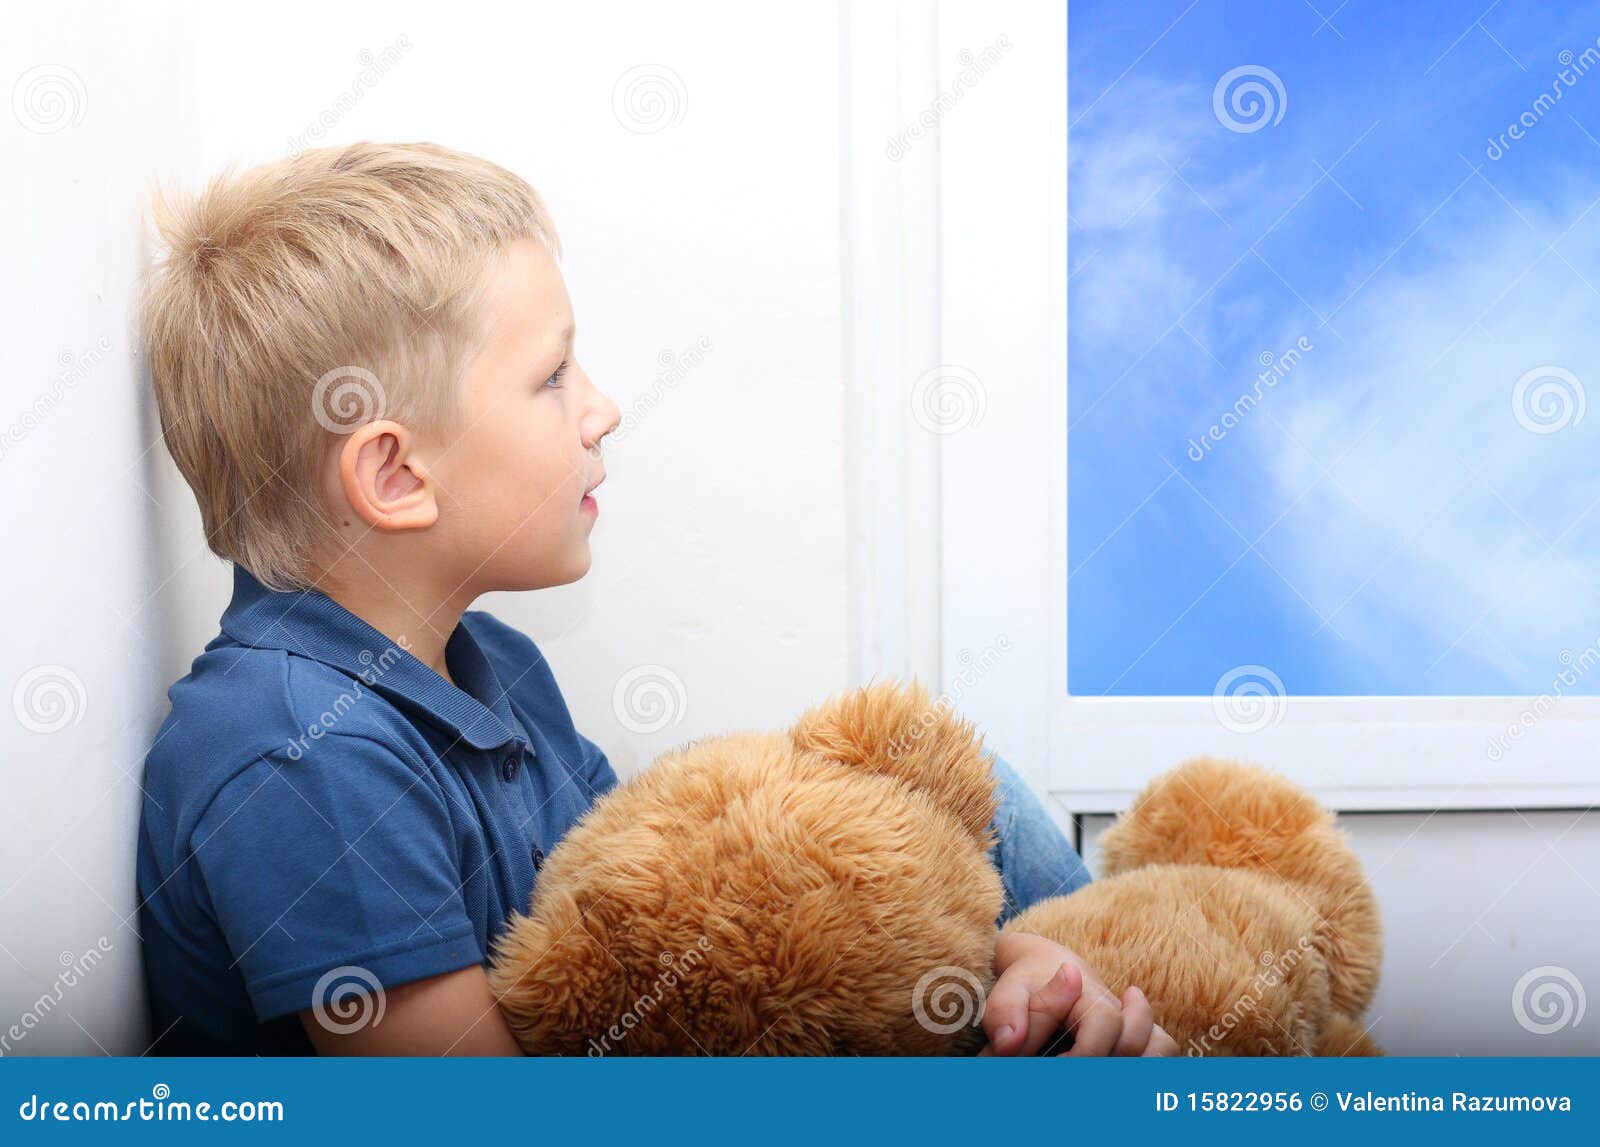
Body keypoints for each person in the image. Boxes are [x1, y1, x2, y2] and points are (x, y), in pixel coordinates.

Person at [134, 141, 1176, 1056]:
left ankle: (1096, 1006)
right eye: (553, 376)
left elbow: (647, 921)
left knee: (952, 791)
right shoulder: (297, 756)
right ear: (397, 477)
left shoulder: (497, 666)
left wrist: (999, 955)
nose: (603, 409)